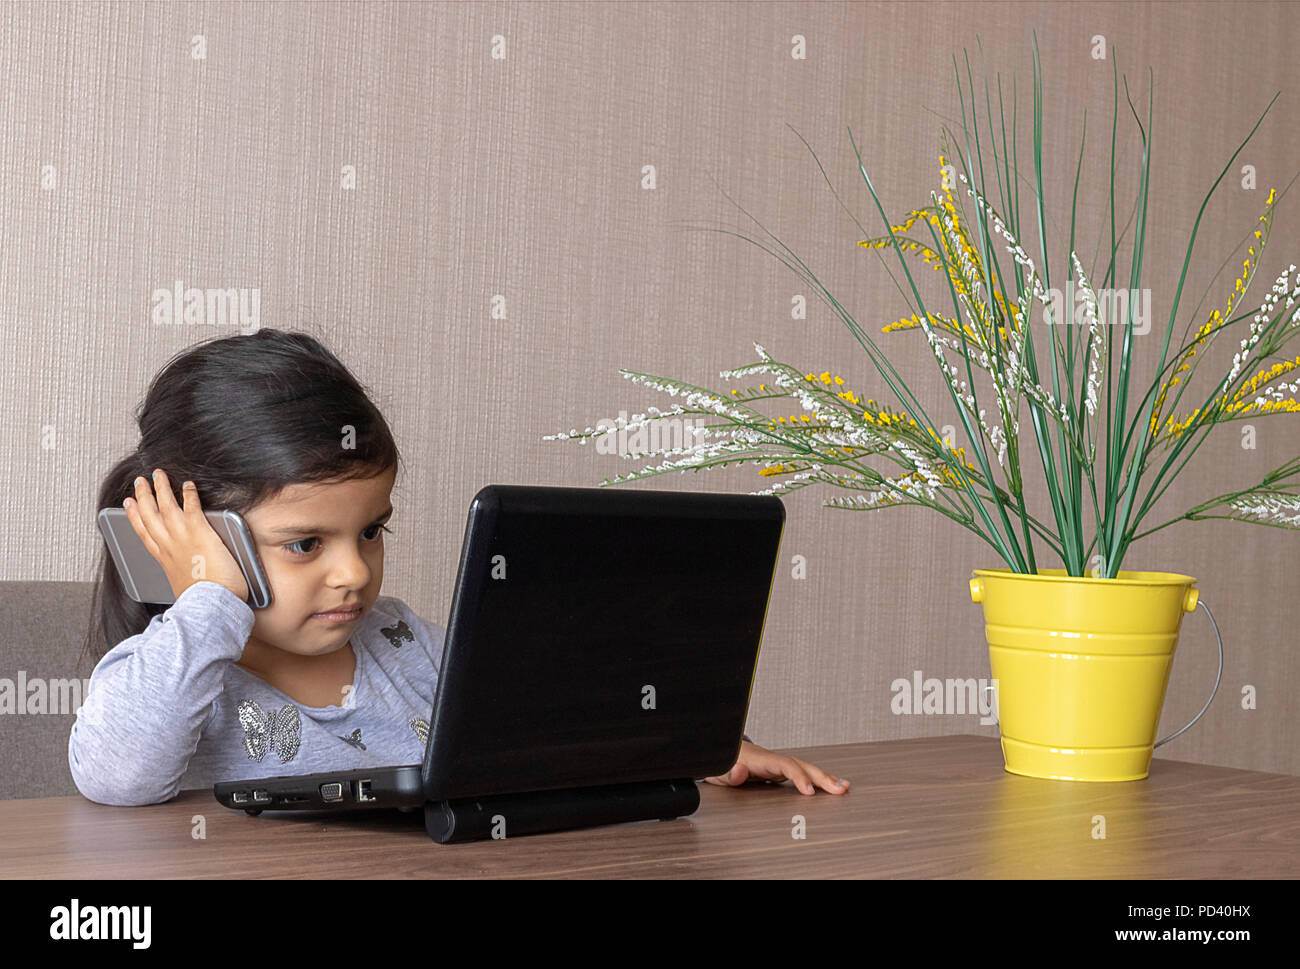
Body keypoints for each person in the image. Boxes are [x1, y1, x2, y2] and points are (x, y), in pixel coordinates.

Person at [72, 329, 850, 806]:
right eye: (307, 543)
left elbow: (536, 714)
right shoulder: (165, 672)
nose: (353, 572)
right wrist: (208, 596)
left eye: (371, 530)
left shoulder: (400, 641)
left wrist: (683, 743)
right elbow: (116, 776)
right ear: (189, 535)